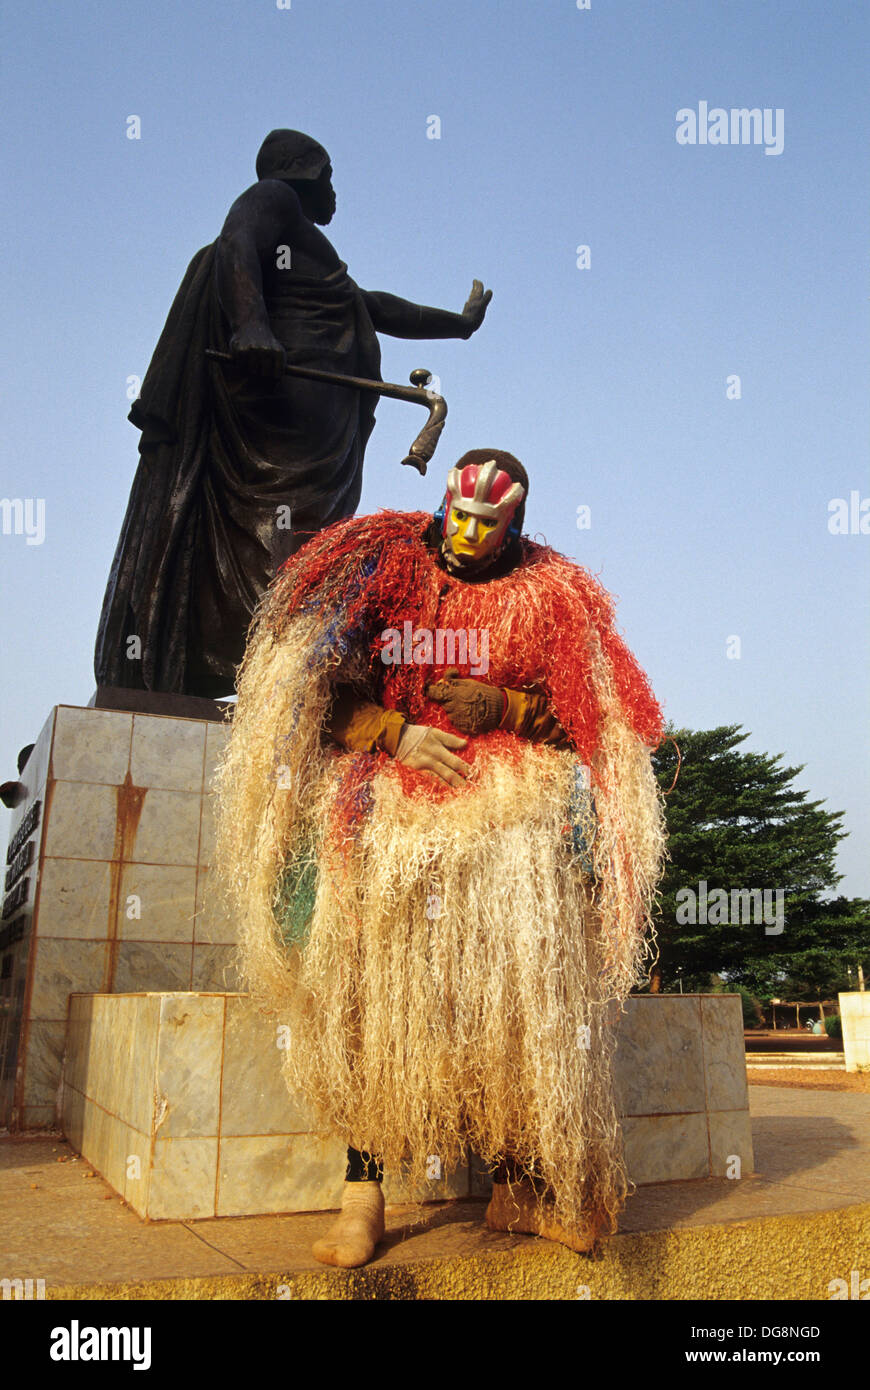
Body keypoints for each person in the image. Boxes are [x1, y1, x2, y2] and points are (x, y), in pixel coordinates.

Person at [214, 449, 665, 1267]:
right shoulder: (379, 562)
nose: (465, 534)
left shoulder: (554, 596)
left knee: (511, 1003)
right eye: (457, 515)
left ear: (514, 523)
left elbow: (599, 720)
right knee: (368, 993)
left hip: (505, 821)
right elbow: (307, 689)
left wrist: (509, 705)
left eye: (486, 525)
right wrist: (393, 732)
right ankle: (363, 1193)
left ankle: (515, 1188)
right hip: (384, 808)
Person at [94, 129, 491, 697]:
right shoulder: (273, 198)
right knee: (275, 551)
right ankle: (257, 663)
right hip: (271, 422)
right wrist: (252, 325)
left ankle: (278, 672)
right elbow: (236, 244)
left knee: (304, 552)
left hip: (316, 441)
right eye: (329, 175)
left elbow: (371, 307)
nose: (335, 191)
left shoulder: (314, 258)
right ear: (303, 170)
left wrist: (457, 324)